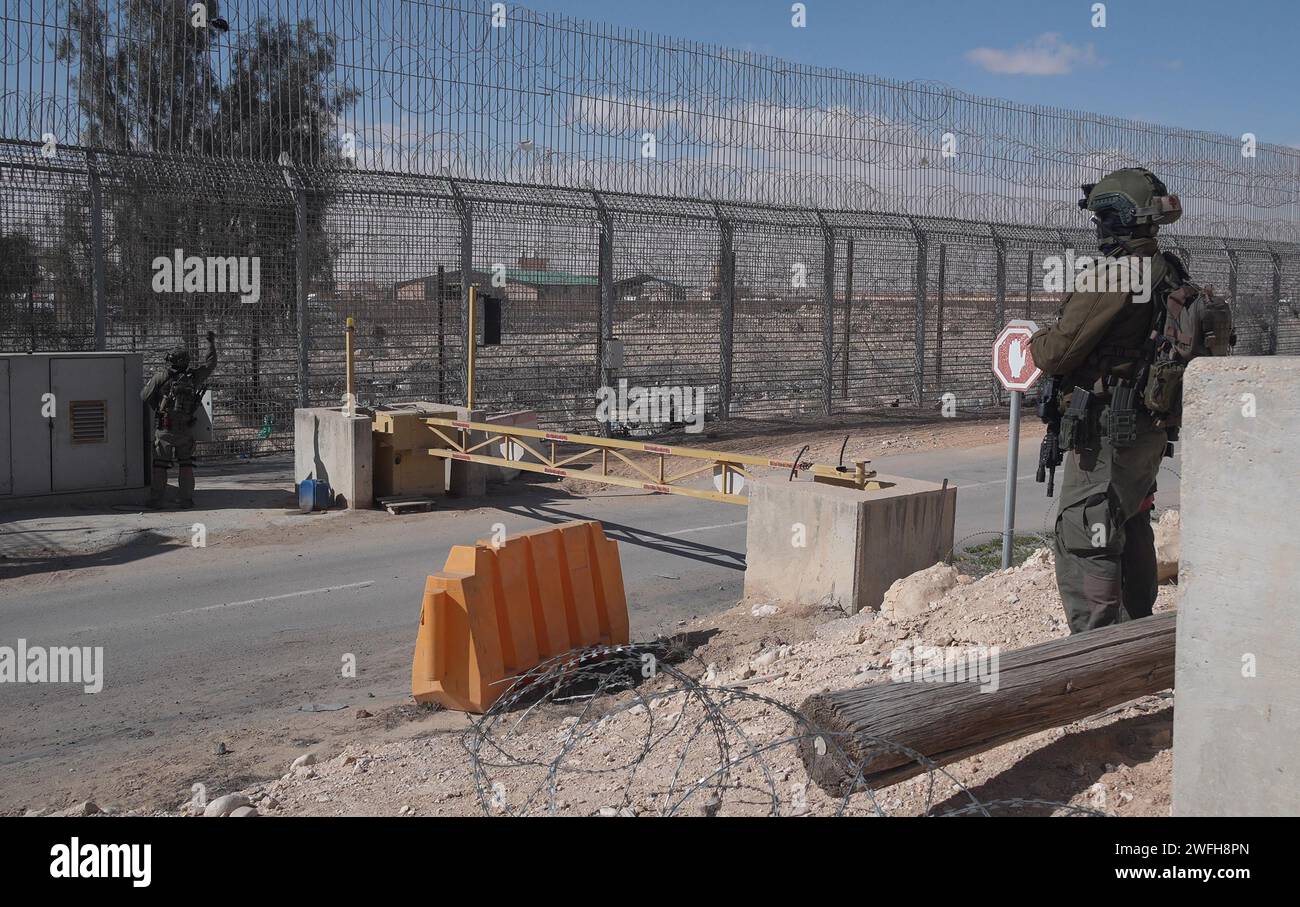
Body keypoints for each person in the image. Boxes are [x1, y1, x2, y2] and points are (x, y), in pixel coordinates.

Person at [1029, 168, 1185, 633]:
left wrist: (1037, 338)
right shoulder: (1168, 268)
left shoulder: (1118, 274)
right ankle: (1136, 633)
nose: (1097, 226)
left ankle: (1096, 648)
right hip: (1147, 425)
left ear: (1118, 218)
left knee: (1086, 532)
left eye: (1102, 216)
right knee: (1130, 519)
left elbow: (1056, 352)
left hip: (1106, 431)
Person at [141, 331, 218, 509]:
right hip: (185, 429)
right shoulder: (194, 377)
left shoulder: (161, 376)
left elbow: (145, 396)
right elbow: (210, 364)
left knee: (160, 466)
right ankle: (186, 499)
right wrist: (211, 344)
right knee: (186, 464)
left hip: (165, 428)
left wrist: (158, 409)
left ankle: (156, 500)